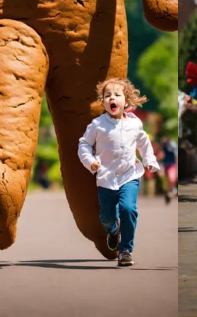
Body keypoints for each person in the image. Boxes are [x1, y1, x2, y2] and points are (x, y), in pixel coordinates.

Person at [78, 78, 160, 267]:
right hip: (106, 178)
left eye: (117, 95)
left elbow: (143, 143)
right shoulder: (97, 125)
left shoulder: (135, 124)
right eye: (108, 96)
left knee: (128, 209)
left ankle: (125, 250)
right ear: (103, 103)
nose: (112, 98)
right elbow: (84, 144)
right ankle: (113, 229)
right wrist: (90, 161)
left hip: (129, 175)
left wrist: (149, 160)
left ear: (126, 102)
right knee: (106, 217)